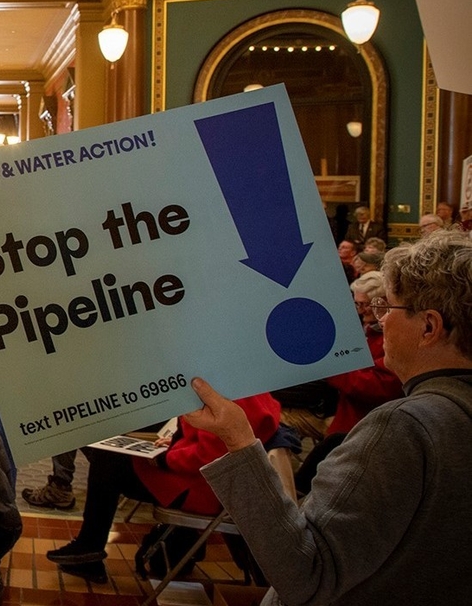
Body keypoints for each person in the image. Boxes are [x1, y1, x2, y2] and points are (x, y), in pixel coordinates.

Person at [188, 231, 472, 606]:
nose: (379, 321)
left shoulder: (405, 427)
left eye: (389, 307)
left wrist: (239, 440)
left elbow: (304, 573)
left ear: (429, 328)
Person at [46, 391, 280, 582]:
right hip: (204, 482)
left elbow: (210, 454)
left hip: (198, 488)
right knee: (108, 459)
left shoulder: (235, 394)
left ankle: (90, 548)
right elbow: (213, 442)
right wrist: (177, 441)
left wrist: (166, 458)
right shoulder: (248, 389)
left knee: (109, 463)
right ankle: (89, 547)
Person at [291, 271, 401, 493]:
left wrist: (333, 368)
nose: (360, 311)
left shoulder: (390, 338)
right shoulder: (369, 331)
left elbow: (379, 386)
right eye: (357, 304)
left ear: (382, 303)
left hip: (358, 425)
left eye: (364, 305)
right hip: (346, 417)